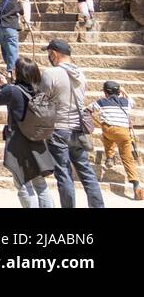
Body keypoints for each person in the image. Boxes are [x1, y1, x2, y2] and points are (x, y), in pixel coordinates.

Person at [0, 58, 58, 207]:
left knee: (22, 183)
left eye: (14, 69)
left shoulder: (11, 90)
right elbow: (20, 97)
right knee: (40, 184)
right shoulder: (39, 89)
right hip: (36, 140)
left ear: (19, 72)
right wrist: (5, 85)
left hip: (18, 142)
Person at [41, 38, 105, 208]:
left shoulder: (51, 73)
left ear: (54, 54)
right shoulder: (81, 75)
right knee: (87, 173)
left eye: (49, 53)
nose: (49, 57)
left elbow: (42, 102)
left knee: (64, 174)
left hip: (58, 129)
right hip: (77, 130)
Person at [92, 81, 141, 200]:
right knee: (127, 158)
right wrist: (124, 92)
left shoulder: (101, 102)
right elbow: (133, 102)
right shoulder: (126, 102)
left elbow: (88, 110)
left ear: (105, 92)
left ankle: (109, 157)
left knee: (107, 135)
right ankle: (136, 185)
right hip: (124, 133)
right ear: (119, 92)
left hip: (108, 130)